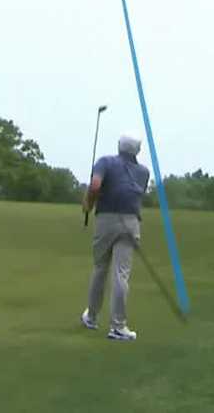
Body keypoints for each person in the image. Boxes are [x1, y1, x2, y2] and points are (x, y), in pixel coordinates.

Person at [80, 135, 151, 341]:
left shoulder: (105, 161)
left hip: (106, 219)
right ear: (137, 151)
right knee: (121, 273)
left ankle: (91, 317)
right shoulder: (143, 171)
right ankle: (118, 326)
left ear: (119, 146)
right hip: (131, 220)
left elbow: (95, 186)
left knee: (100, 267)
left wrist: (88, 203)